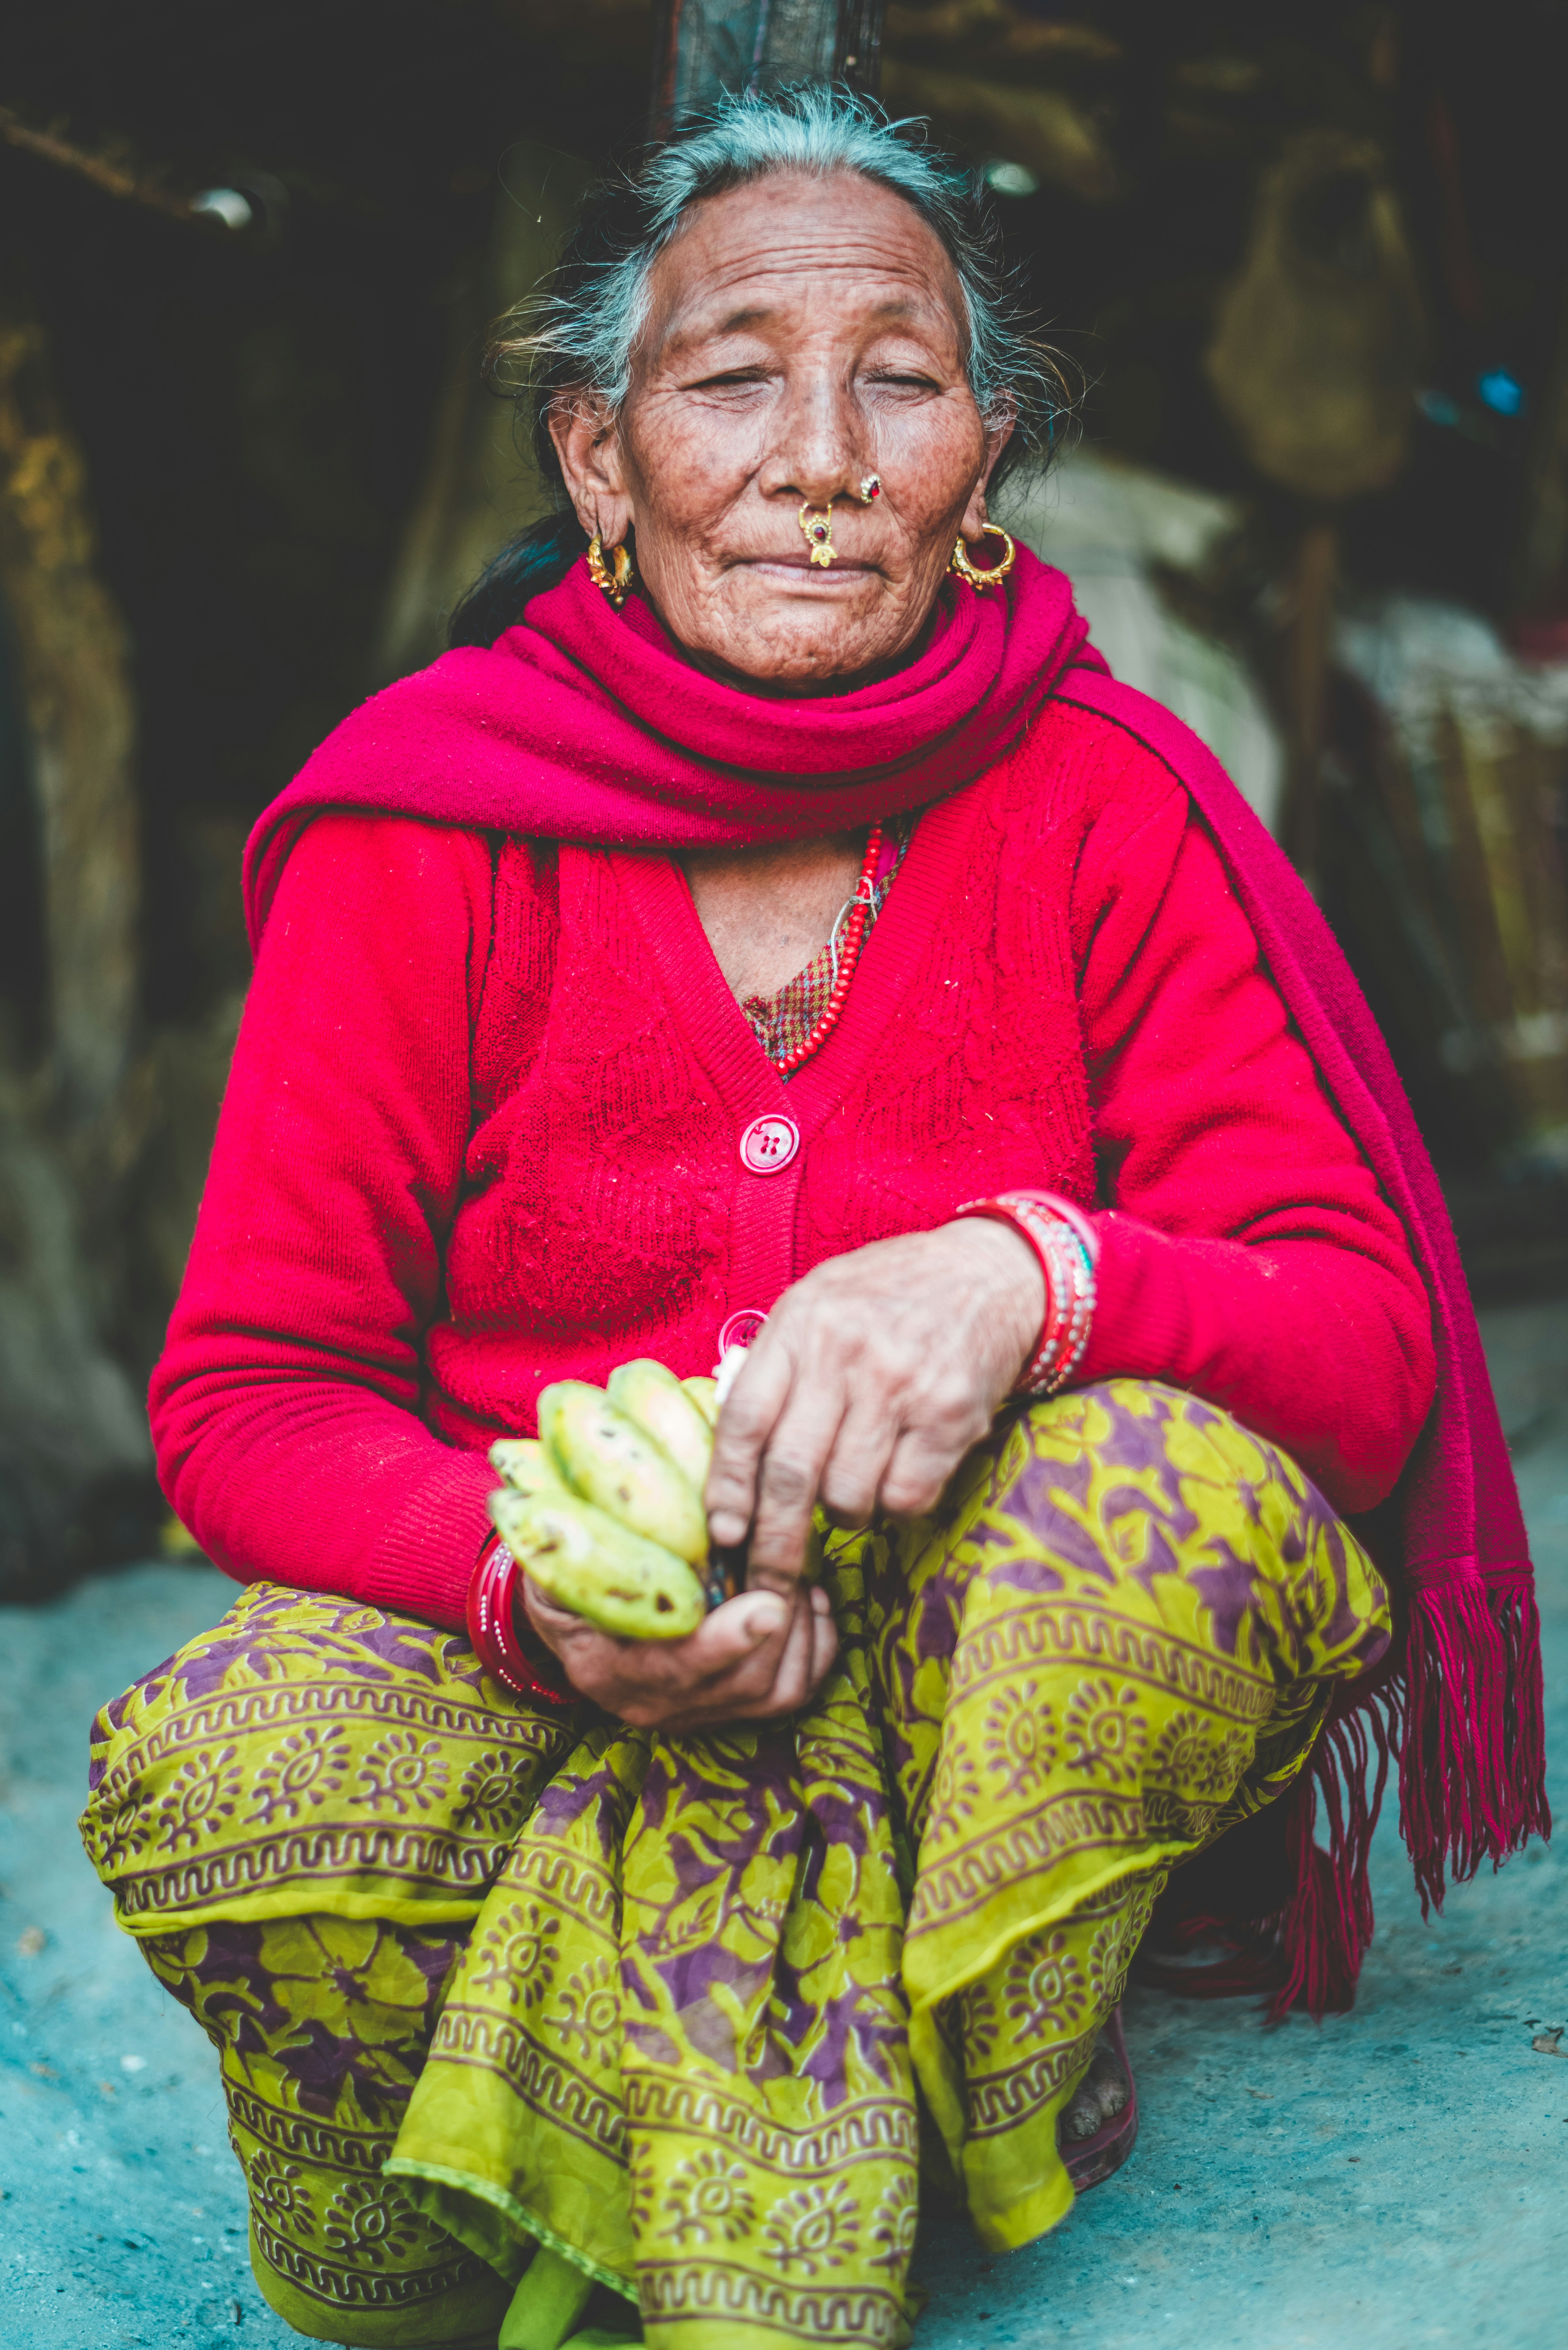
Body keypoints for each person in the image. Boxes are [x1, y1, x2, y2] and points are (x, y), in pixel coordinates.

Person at [81, 89, 1542, 2350]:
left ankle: (920, 2055)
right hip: (544, 1655)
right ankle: (773, 2078)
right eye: (733, 373)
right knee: (218, 1760)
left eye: (903, 375)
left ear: (990, 454)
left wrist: (1028, 1275)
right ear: (600, 459)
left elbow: (1360, 1347)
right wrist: (531, 1592)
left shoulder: (1102, 802)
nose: (825, 451)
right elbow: (254, 1395)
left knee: (1177, 1510)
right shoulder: (424, 831)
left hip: (971, 1671)